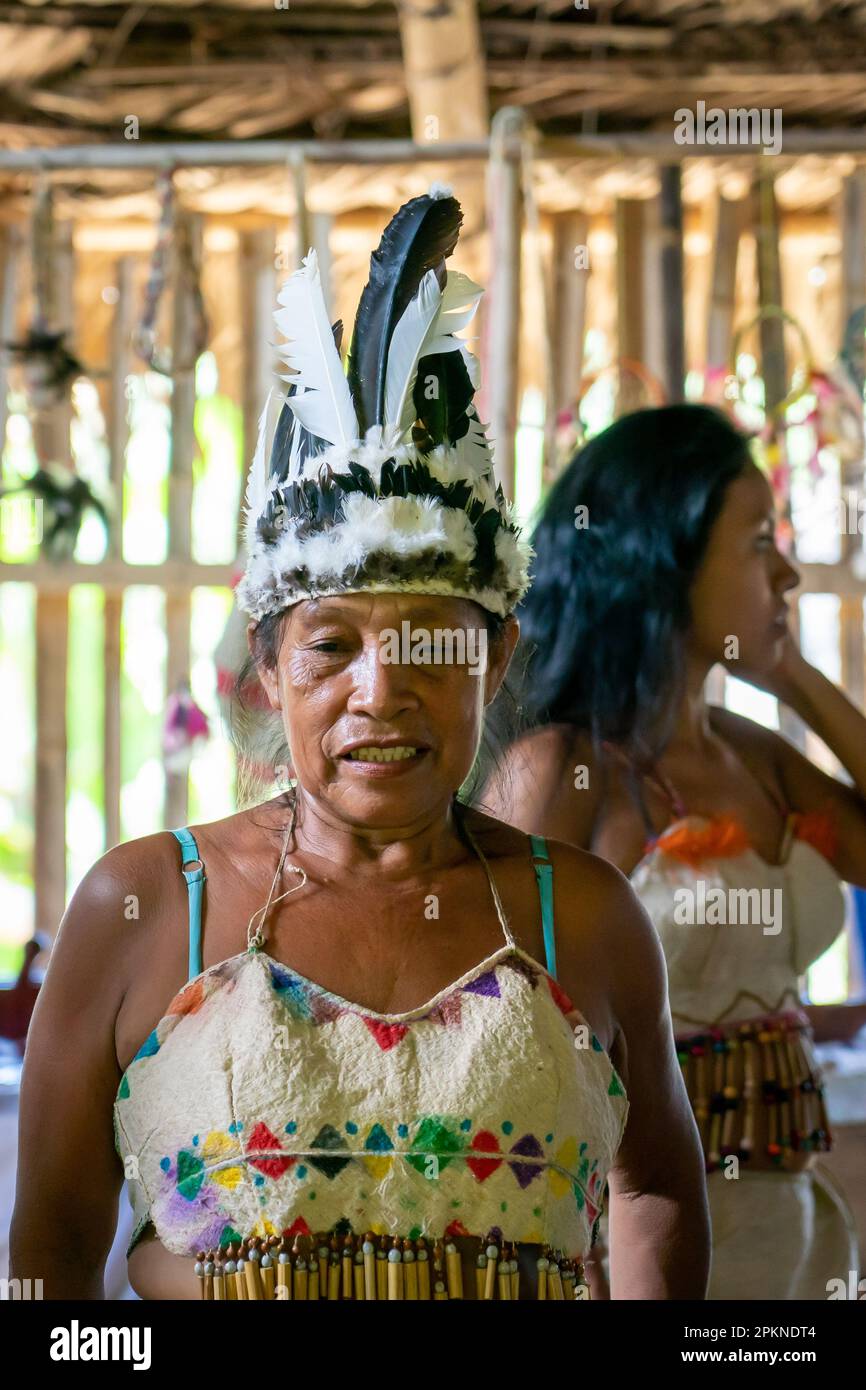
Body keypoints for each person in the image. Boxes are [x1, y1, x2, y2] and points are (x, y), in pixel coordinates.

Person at [10, 194, 707, 1302]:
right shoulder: (140, 909)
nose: (378, 693)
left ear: (495, 657)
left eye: (431, 644)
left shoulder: (580, 916)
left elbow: (657, 1185)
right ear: (269, 662)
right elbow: (49, 1255)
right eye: (329, 644)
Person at [485, 403, 866, 1300]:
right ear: (663, 559)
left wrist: (794, 677)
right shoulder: (561, 770)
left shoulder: (756, 757)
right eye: (758, 543)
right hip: (628, 1248)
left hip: (799, 1232)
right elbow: (500, 1026)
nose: (789, 571)